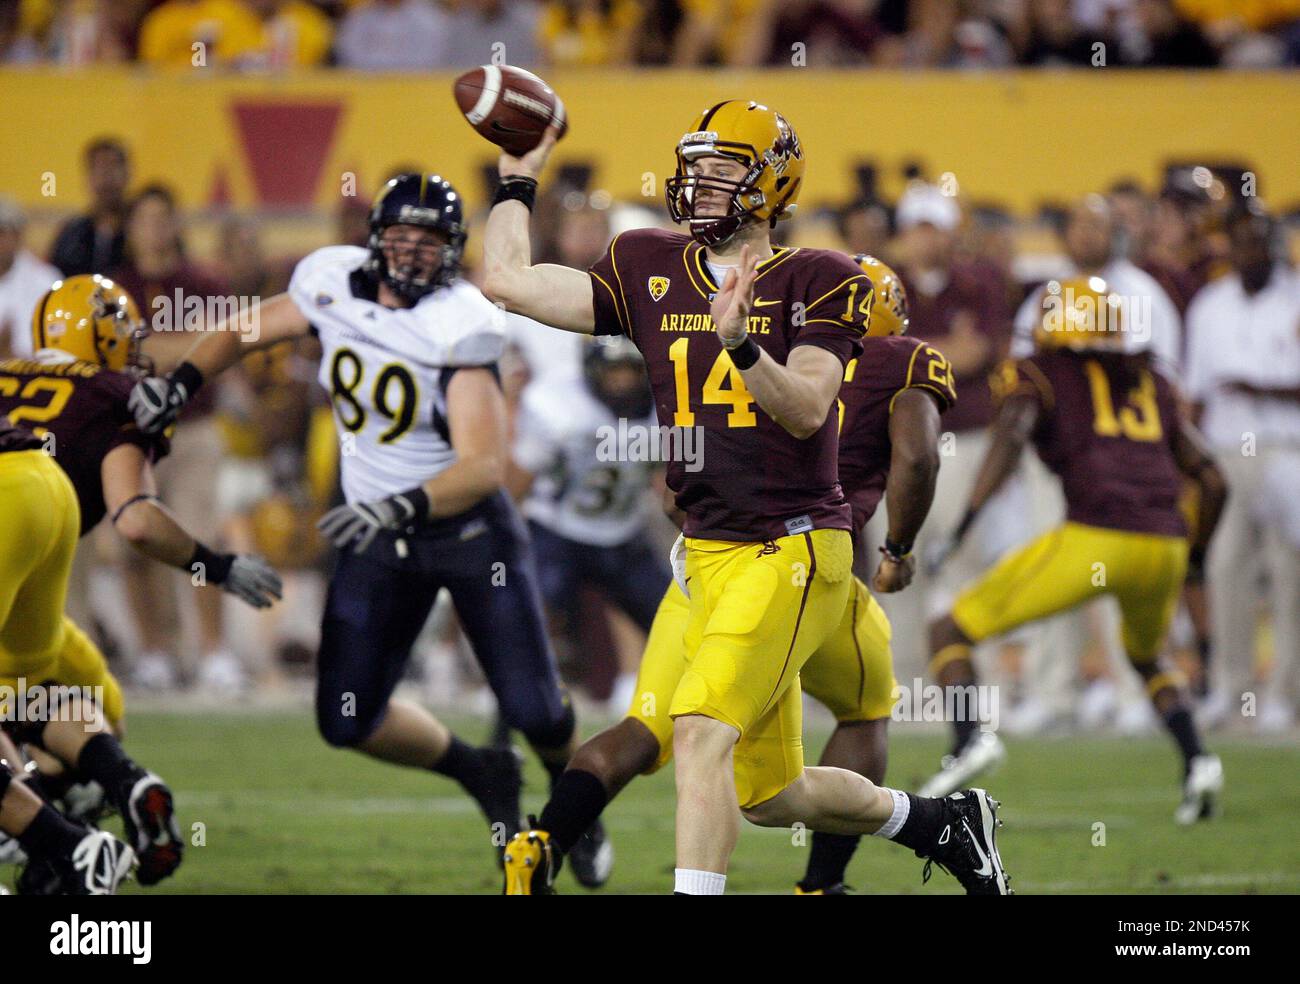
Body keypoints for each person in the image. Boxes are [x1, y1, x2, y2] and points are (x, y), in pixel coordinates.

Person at [481, 100, 1008, 894]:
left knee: (694, 734)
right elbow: (507, 282)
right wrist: (519, 180)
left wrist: (740, 343)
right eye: (695, 167)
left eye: (724, 168)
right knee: (769, 797)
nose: (700, 184)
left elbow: (804, 408)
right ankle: (944, 824)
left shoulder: (822, 276)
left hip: (793, 546)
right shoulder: (647, 264)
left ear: (773, 183)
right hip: (707, 553)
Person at [127, 173, 586, 863]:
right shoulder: (331, 281)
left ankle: (572, 801)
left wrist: (394, 506)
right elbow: (243, 330)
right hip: (377, 534)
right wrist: (181, 383)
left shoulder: (462, 320)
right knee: (347, 719)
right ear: (372, 240)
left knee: (537, 712)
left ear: (454, 249)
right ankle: (480, 770)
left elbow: (482, 467)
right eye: (398, 236)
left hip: (465, 532)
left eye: (428, 241)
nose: (410, 253)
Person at [1, 273, 285, 888]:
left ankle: (50, 837)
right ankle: (115, 783)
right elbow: (134, 516)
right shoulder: (116, 390)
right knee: (64, 693)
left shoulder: (7, 369)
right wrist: (218, 564)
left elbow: (131, 527)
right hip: (48, 498)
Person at [922, 277, 1228, 824]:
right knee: (1147, 657)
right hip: (1166, 544)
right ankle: (1199, 761)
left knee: (949, 631)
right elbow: (1212, 478)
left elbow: (1011, 437)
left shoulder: (1040, 371)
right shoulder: (1150, 377)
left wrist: (964, 523)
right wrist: (1197, 559)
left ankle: (970, 741)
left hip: (1097, 537)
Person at [0, 420, 136, 895]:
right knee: (16, 676)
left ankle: (62, 844)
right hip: (47, 480)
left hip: (9, 493)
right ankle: (67, 842)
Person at [1184, 205, 1300, 733]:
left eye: (1259, 243)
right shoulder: (1210, 306)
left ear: (1276, 246)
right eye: (1241, 243)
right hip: (1227, 453)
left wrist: (1260, 387)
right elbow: (1195, 394)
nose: (1250, 253)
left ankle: (1284, 692)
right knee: (1224, 568)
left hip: (1287, 449)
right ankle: (1231, 689)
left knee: (1286, 574)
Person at [48, 136, 130, 278]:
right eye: (99, 169)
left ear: (127, 174)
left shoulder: (143, 231)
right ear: (87, 178)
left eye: (113, 167)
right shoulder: (71, 235)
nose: (106, 178)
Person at [0, 196, 60, 358]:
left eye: (1, 232)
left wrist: (8, 354)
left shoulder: (46, 280)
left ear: (18, 235)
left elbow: (54, 352)